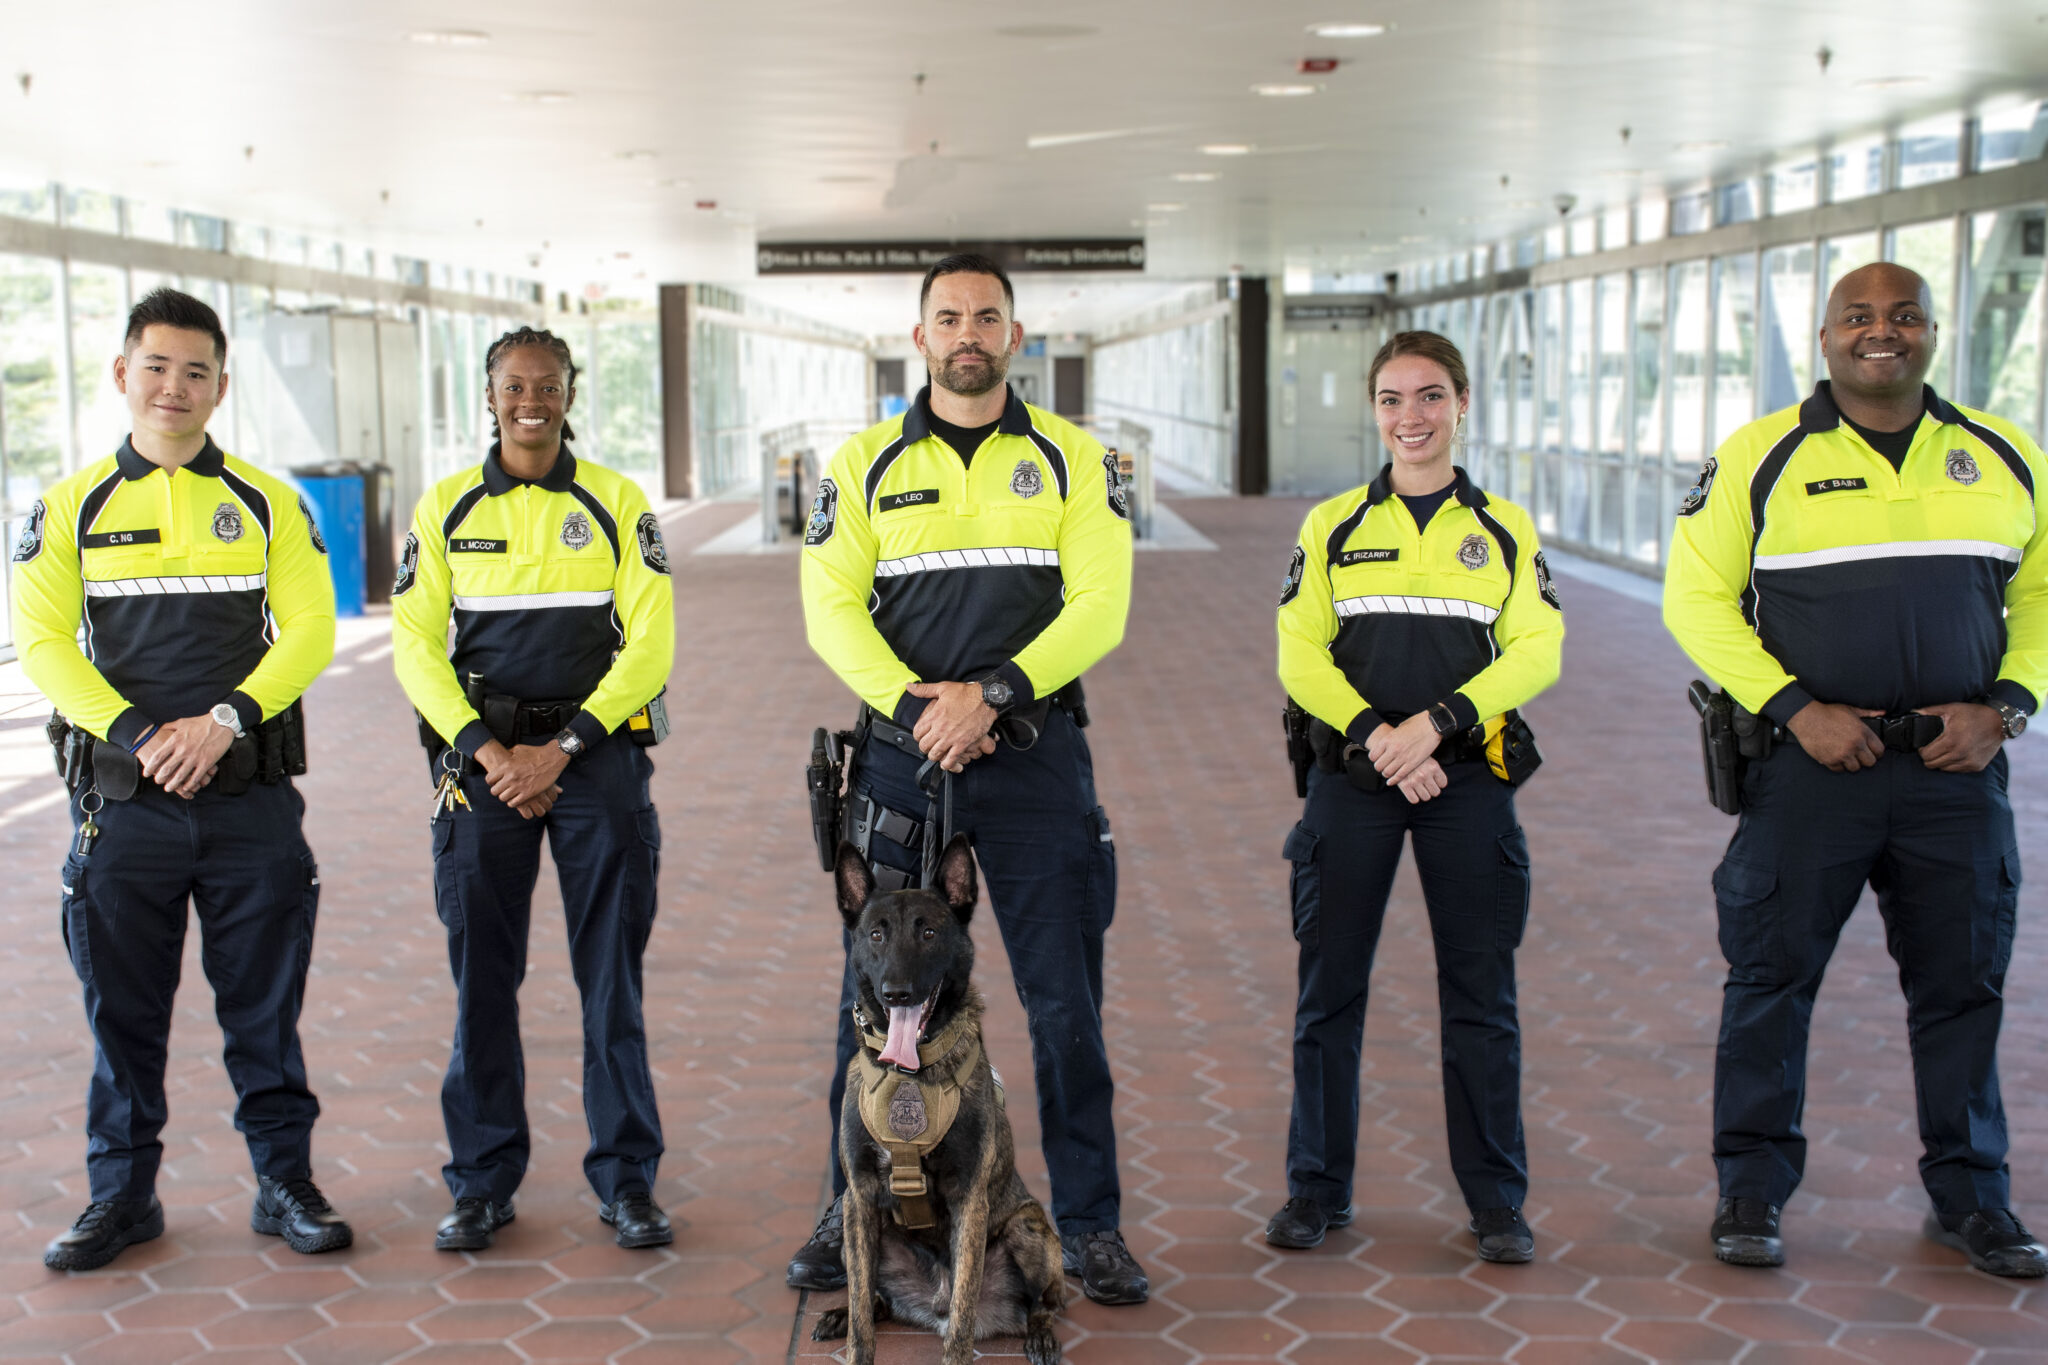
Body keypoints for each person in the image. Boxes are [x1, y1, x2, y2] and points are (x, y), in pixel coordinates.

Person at [1664, 261, 2048, 1277]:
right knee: (1769, 980)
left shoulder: (2002, 453)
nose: (1882, 332)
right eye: (1858, 317)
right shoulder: (1760, 456)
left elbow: (2044, 592)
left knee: (1961, 987)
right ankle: (1749, 1190)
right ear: (1825, 336)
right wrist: (1793, 710)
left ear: (1930, 330)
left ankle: (1973, 1198)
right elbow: (1693, 600)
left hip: (1954, 776)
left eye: (1903, 315)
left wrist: (2005, 708)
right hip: (1809, 775)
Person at [793, 253, 1147, 1305]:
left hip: (1035, 768)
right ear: (919, 337)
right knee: (874, 1001)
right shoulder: (859, 465)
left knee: (1064, 1008)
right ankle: (842, 1212)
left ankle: (1090, 1227)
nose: (967, 333)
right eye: (947, 316)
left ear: (1014, 336)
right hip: (904, 769)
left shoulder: (1078, 460)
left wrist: (986, 697)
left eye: (986, 317)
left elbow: (1100, 606)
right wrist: (920, 710)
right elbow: (829, 610)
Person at [13, 287, 347, 1270]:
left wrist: (224, 722)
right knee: (123, 1018)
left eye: (195, 371)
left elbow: (314, 629)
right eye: (156, 366)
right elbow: (38, 643)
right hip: (124, 810)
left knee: (265, 1013)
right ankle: (121, 1198)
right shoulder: (68, 508)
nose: (174, 387)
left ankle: (285, 1183)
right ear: (122, 375)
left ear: (221, 387)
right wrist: (138, 733)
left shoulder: (268, 502)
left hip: (248, 804)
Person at [1266, 330, 1563, 1263]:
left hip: (1466, 782)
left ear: (1463, 404)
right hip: (1353, 782)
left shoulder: (1506, 528)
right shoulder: (1333, 527)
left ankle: (1497, 1202)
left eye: (1430, 397)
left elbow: (1537, 649)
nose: (1412, 418)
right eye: (1393, 399)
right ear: (1375, 411)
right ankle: (1316, 1189)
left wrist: (1435, 724)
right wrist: (1379, 739)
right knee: (1329, 992)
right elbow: (1297, 652)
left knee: (1482, 997)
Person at [391, 326, 677, 1252]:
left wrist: (563, 747)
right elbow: (414, 647)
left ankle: (627, 1179)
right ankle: (481, 1181)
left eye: (547, 384)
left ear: (569, 393)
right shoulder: (444, 508)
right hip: (483, 769)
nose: (530, 400)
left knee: (611, 982)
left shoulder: (617, 502)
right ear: (489, 394)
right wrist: (489, 750)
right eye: (514, 385)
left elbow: (652, 644)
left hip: (595, 761)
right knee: (483, 981)